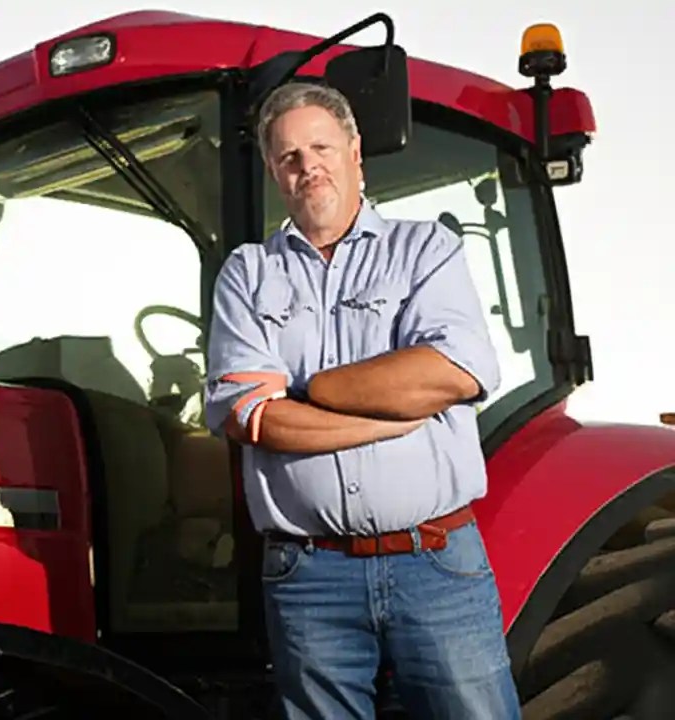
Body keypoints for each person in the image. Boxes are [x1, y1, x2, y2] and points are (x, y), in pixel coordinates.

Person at [204, 81, 520, 719]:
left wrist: (310, 388)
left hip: (436, 563)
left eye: (320, 146)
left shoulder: (425, 248)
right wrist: (398, 416)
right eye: (289, 156)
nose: (306, 165)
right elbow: (249, 415)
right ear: (272, 170)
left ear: (354, 152)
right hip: (308, 575)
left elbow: (454, 372)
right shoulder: (247, 272)